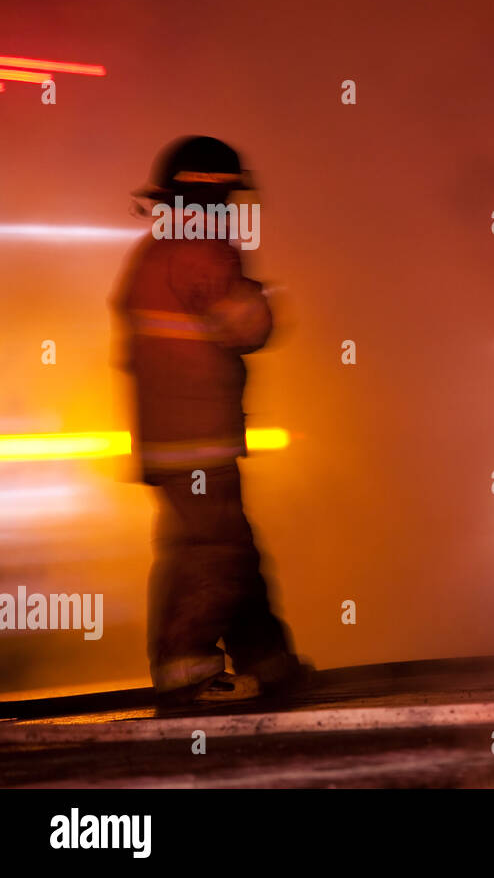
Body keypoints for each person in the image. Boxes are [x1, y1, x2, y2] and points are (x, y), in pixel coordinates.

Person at [111, 135, 304, 704]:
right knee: (215, 556)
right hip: (197, 441)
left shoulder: (153, 253)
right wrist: (259, 293)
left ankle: (269, 665)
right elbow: (249, 327)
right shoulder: (203, 251)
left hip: (169, 439)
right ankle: (189, 671)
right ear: (211, 198)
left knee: (225, 549)